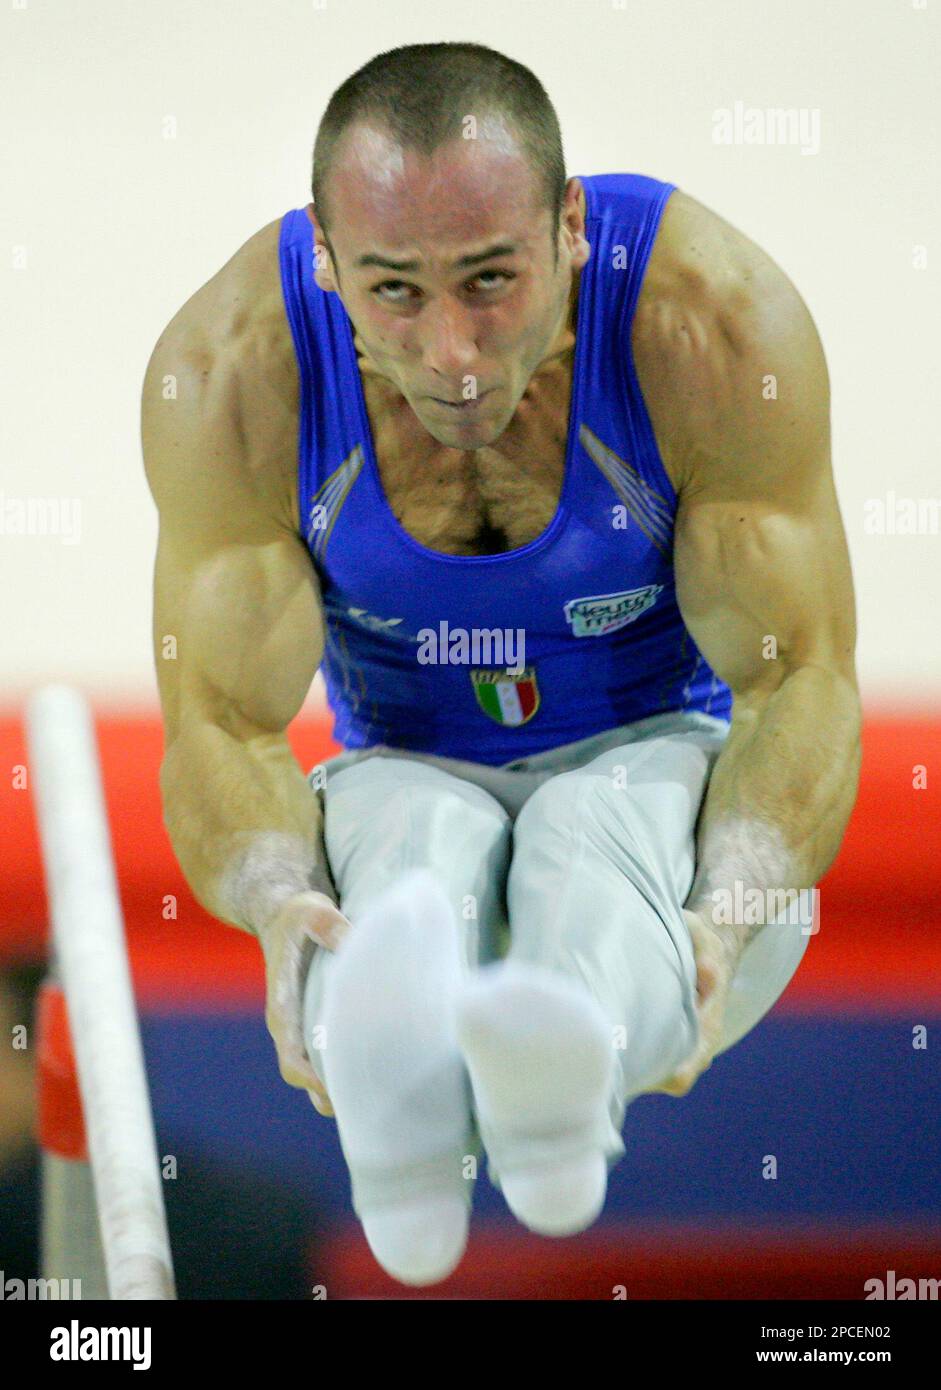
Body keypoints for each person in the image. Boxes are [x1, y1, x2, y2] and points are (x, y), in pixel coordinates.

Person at [141, 41, 861, 1289]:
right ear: (324, 259)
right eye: (395, 294)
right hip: (401, 765)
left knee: (592, 839)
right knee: (401, 856)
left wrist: (724, 913)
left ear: (570, 227)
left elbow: (798, 681)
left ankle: (570, 1029)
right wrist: (273, 906)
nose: (455, 351)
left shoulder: (707, 324)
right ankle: (411, 1114)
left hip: (664, 780)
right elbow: (222, 725)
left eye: (489, 279)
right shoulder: (232, 373)